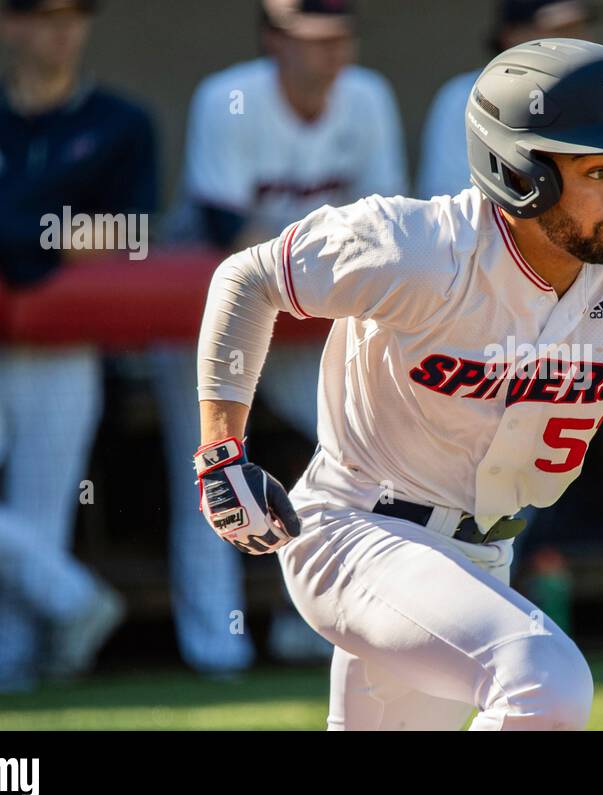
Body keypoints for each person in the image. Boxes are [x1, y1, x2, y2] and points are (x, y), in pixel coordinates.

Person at [192, 39, 603, 730]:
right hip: (357, 528)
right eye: (598, 167)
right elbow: (248, 277)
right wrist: (221, 453)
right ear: (520, 170)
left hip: (478, 556)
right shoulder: (421, 245)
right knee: (547, 681)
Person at [0, 0, 155, 692]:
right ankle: (78, 600)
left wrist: (3, 233)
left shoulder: (121, 123)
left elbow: (126, 235)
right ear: (10, 24)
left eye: (73, 16)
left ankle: (9, 673)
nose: (60, 31)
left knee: (41, 517)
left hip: (63, 346)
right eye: (43, 16)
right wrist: (41, 239)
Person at [158, 0, 407, 671]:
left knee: (360, 455)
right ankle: (216, 650)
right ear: (274, 39)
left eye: (340, 40)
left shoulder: (367, 95)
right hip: (214, 309)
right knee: (213, 470)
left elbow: (384, 232)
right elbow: (226, 236)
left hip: (312, 305)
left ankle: (322, 624)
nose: (329, 56)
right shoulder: (229, 97)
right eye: (311, 40)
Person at [416, 0, 595, 199]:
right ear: (511, 36)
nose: (576, 41)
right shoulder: (465, 95)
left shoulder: (596, 96)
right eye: (560, 30)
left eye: (578, 28)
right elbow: (448, 196)